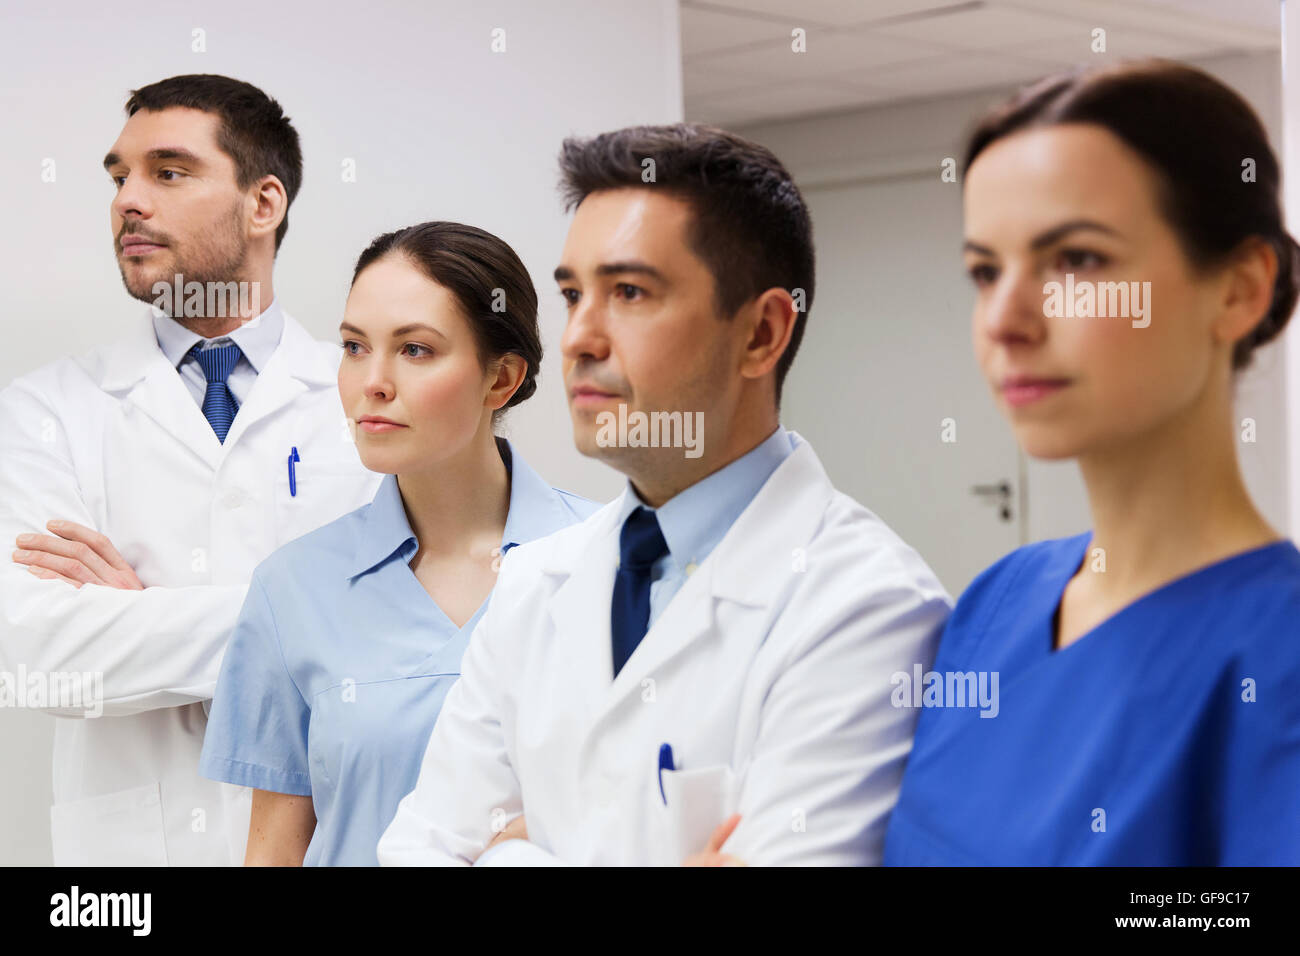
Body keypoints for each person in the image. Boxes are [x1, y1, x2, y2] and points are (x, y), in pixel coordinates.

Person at [378, 124, 952, 867]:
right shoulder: (535, 583)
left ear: (761, 333)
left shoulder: (866, 607)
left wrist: (506, 857)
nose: (580, 338)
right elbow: (415, 852)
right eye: (573, 295)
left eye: (629, 293)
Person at [884, 60, 1300, 865]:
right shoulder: (995, 605)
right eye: (984, 271)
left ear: (1241, 289)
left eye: (1075, 261)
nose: (1004, 320)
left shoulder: (1276, 657)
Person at [0, 75, 379, 865]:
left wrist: (144, 613)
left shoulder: (371, 402)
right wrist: (312, 612)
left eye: (167, 173)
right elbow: (32, 655)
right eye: (118, 176)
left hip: (330, 840)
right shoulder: (46, 410)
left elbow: (419, 629)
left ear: (263, 203)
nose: (128, 200)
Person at [198, 222, 599, 866]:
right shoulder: (292, 591)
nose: (372, 383)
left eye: (414, 350)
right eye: (354, 348)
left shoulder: (611, 562)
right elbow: (274, 853)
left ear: (502, 379)